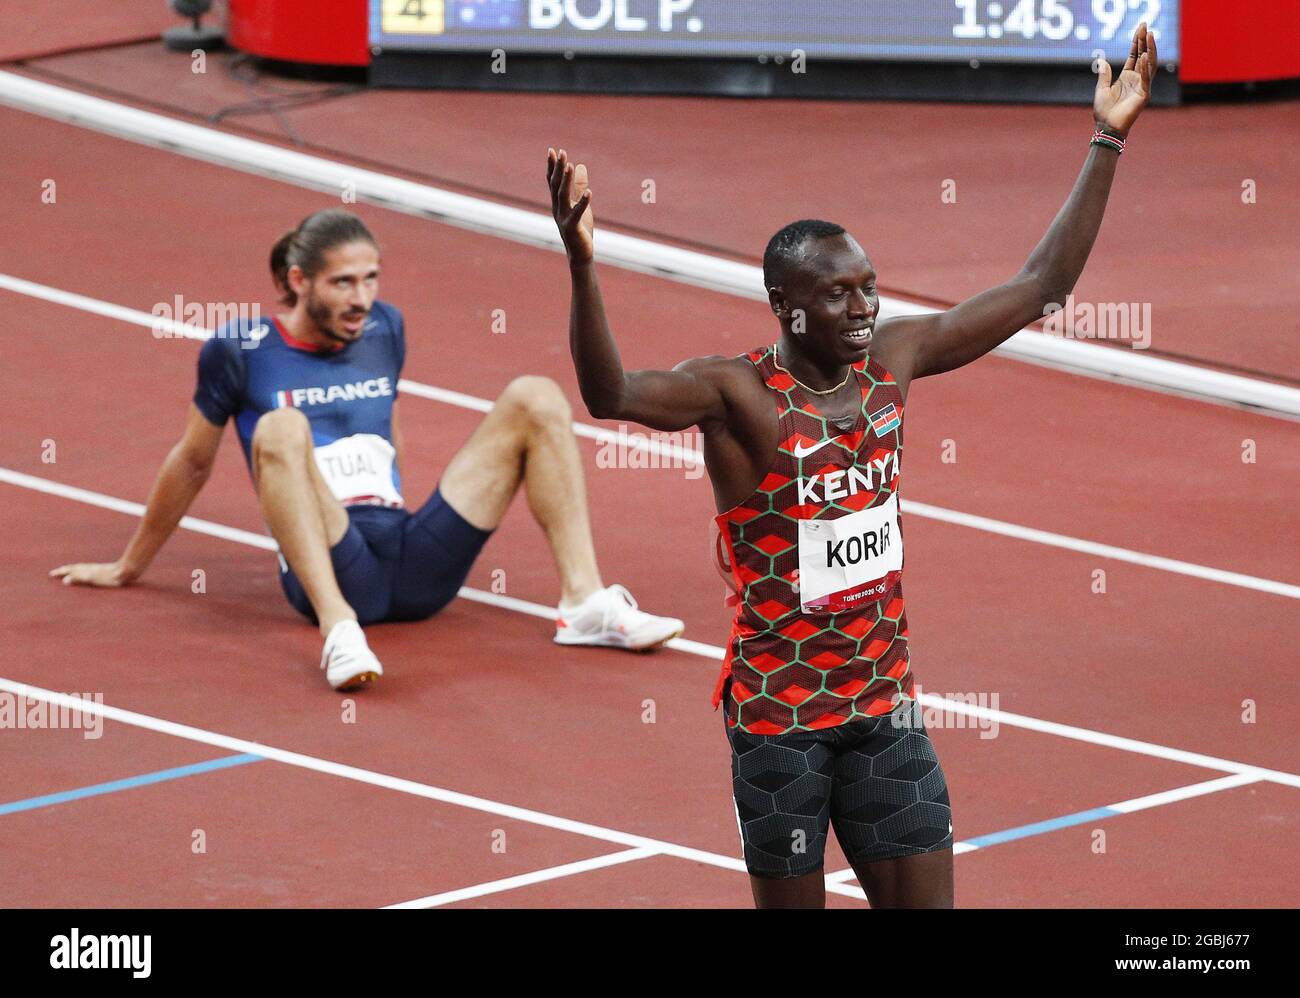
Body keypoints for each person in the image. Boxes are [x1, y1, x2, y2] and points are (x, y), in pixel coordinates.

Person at [548, 25, 1156, 907]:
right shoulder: (735, 395)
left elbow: (1040, 287)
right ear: (786, 306)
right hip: (779, 724)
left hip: (883, 709)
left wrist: (1108, 140)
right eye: (838, 293)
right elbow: (609, 394)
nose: (864, 305)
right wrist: (581, 264)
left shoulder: (892, 362)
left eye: (869, 285)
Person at [51, 208, 684, 691]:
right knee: (279, 428)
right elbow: (192, 460)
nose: (362, 299)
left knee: (536, 395)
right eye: (344, 283)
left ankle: (584, 604)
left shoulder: (386, 328)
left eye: (371, 279)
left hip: (410, 558)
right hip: (331, 564)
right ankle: (339, 633)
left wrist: (398, 506)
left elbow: (389, 426)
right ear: (298, 281)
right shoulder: (238, 350)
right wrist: (129, 565)